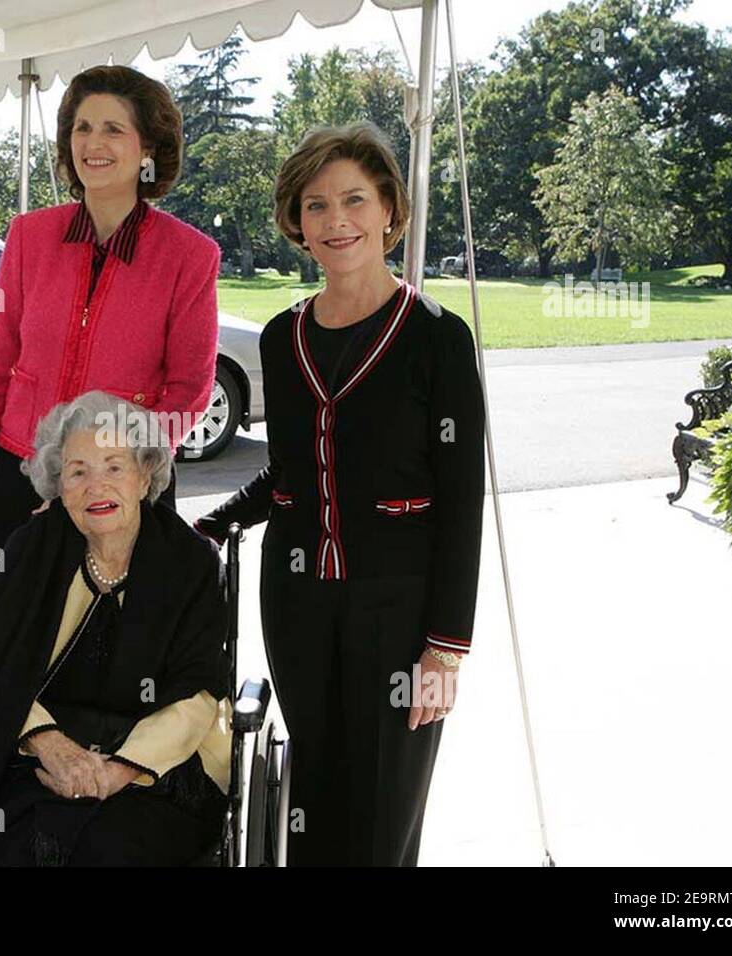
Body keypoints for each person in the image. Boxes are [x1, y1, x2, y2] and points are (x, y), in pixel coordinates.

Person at [196, 122, 487, 866]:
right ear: (296, 222)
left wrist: (445, 651)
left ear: (390, 209)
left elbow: (461, 500)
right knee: (315, 804)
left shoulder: (437, 338)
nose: (336, 221)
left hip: (401, 612)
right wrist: (212, 522)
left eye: (354, 200)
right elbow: (289, 473)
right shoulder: (279, 339)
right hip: (299, 607)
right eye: (316, 205)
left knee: (383, 818)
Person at [0, 64, 221, 583]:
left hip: (123, 488)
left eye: (114, 129)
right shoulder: (28, 237)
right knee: (11, 644)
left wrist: (108, 474)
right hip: (19, 474)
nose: (94, 142)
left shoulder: (190, 255)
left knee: (111, 652)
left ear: (148, 150)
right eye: (82, 127)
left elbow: (188, 393)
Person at [0, 391, 232, 866]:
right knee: (9, 845)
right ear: (59, 485)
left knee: (112, 851)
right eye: (78, 471)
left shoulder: (190, 562)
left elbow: (198, 693)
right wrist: (47, 743)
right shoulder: (34, 548)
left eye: (114, 466)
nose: (97, 486)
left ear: (144, 476)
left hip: (153, 770)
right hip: (37, 758)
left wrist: (116, 772)